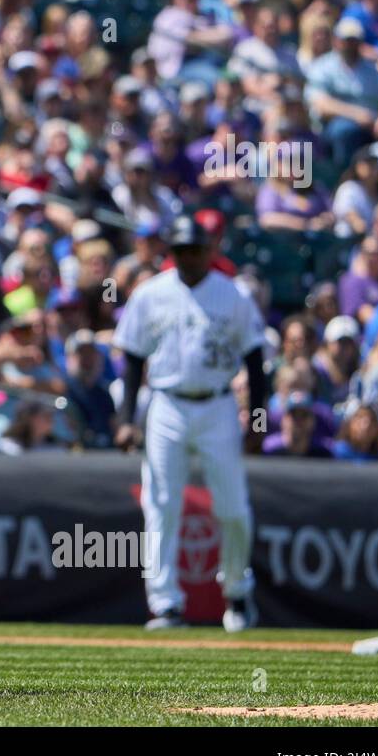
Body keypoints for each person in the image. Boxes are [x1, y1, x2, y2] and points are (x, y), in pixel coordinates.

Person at [113, 215, 268, 633]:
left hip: (218, 405)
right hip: (166, 403)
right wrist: (128, 418)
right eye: (180, 250)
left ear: (209, 251)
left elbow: (255, 359)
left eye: (195, 249)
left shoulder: (232, 294)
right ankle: (165, 605)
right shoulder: (150, 294)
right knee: (161, 503)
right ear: (172, 253)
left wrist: (257, 418)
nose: (188, 257)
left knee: (233, 506)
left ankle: (236, 593)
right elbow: (131, 357)